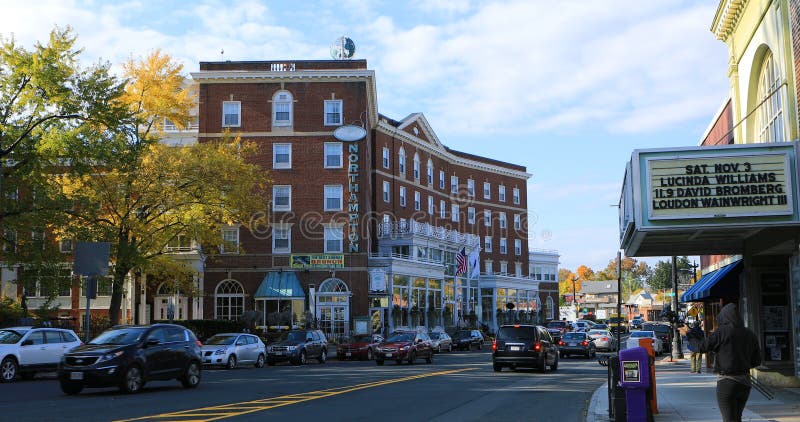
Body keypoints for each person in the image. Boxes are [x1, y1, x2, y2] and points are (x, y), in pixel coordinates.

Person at [679, 303, 761, 422]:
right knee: (737, 418)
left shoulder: (721, 332)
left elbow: (701, 347)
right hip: (745, 382)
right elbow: (756, 361)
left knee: (728, 419)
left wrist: (688, 334)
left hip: (727, 381)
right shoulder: (750, 334)